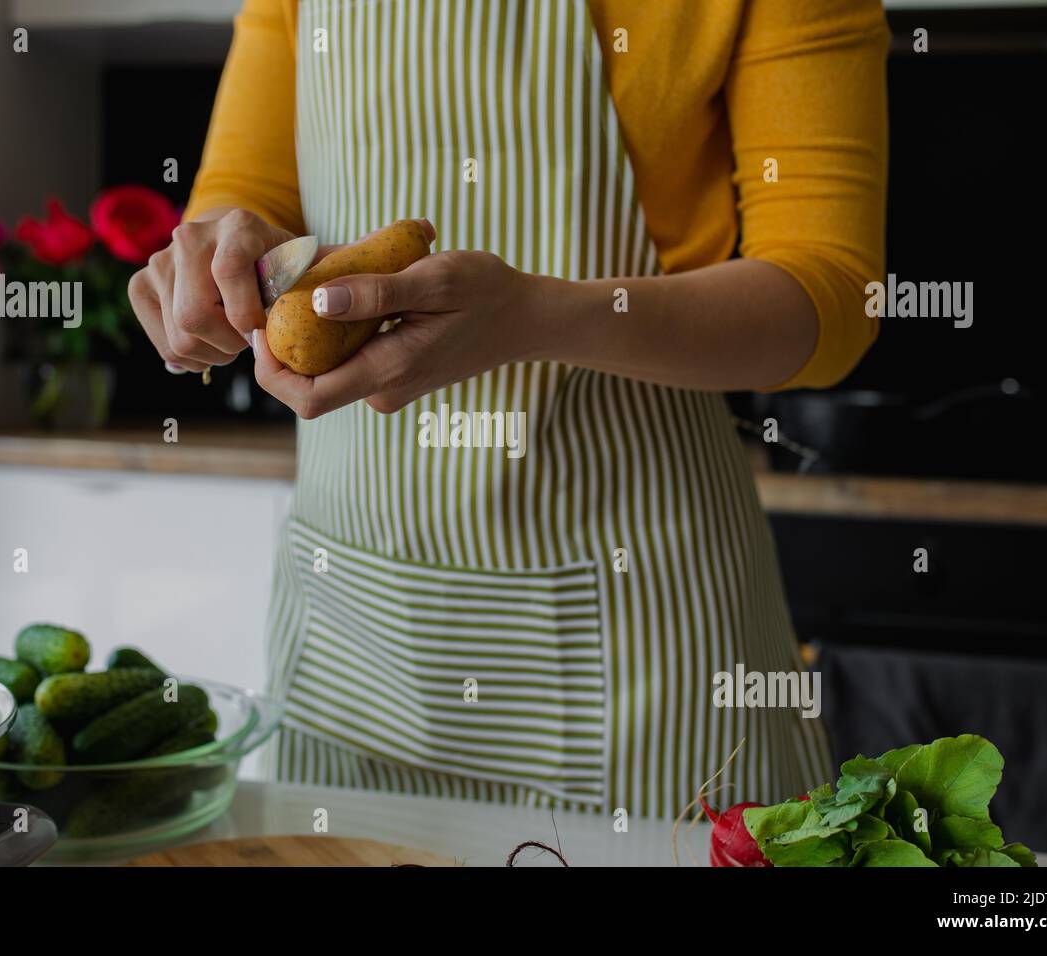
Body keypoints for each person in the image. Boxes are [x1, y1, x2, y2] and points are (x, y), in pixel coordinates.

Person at [129, 0, 888, 817]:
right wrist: (213, 258)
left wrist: (539, 317)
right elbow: (246, 199)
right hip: (361, 632)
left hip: (645, 627)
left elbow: (833, 291)